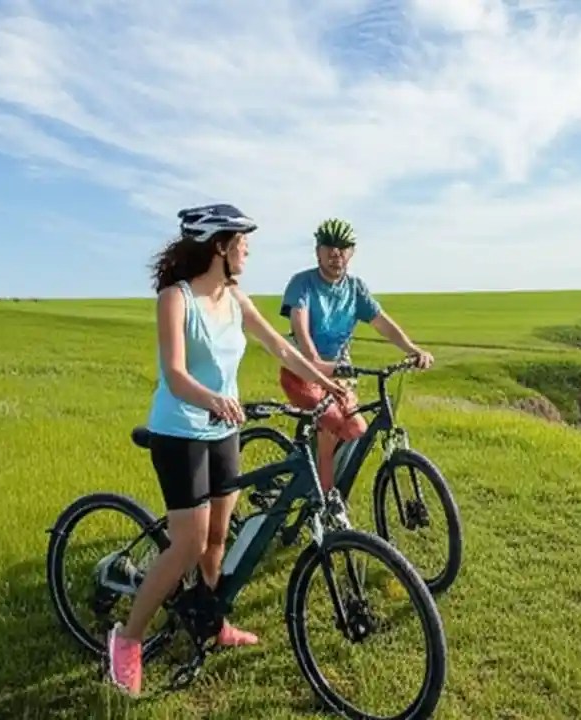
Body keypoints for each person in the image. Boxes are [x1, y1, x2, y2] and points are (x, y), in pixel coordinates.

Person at [107, 203, 349, 698]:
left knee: (218, 538)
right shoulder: (176, 299)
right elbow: (175, 374)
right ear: (219, 245)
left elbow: (281, 349)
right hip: (181, 431)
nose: (247, 249)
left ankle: (211, 623)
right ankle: (127, 640)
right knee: (189, 544)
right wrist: (214, 399)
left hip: (223, 431)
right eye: (241, 241)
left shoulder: (235, 296)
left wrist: (326, 382)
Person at [277, 217, 433, 494]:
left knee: (358, 431)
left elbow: (382, 323)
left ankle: (307, 477)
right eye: (329, 247)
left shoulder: (355, 289)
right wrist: (317, 365)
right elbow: (301, 331)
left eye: (343, 248)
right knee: (335, 429)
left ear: (351, 252)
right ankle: (324, 504)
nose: (336, 254)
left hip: (339, 376)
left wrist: (413, 349)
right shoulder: (302, 284)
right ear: (318, 251)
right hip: (302, 373)